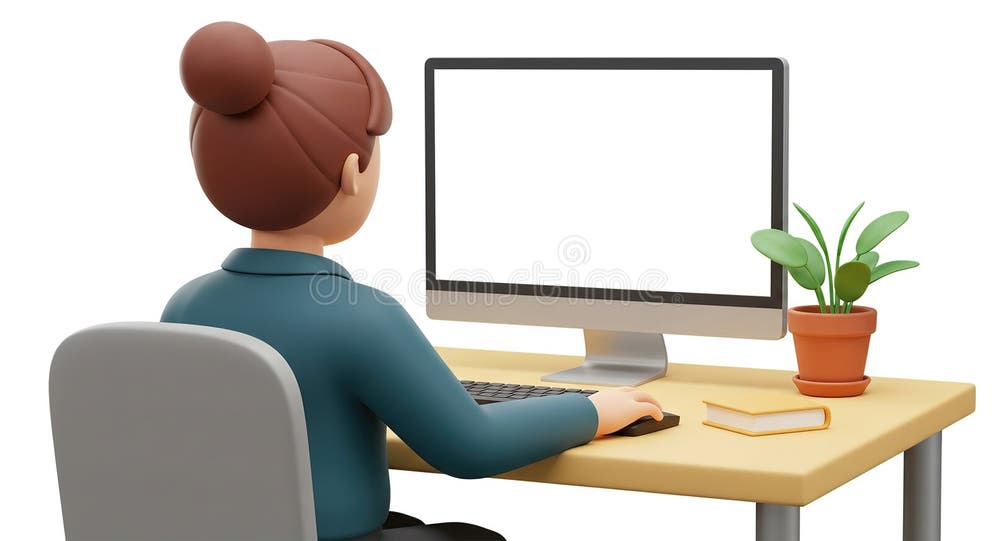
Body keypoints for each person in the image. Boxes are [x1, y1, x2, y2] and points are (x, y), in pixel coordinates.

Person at [163, 21, 664, 541]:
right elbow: (472, 448)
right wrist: (589, 410)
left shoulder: (184, 309)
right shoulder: (359, 316)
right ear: (352, 173)